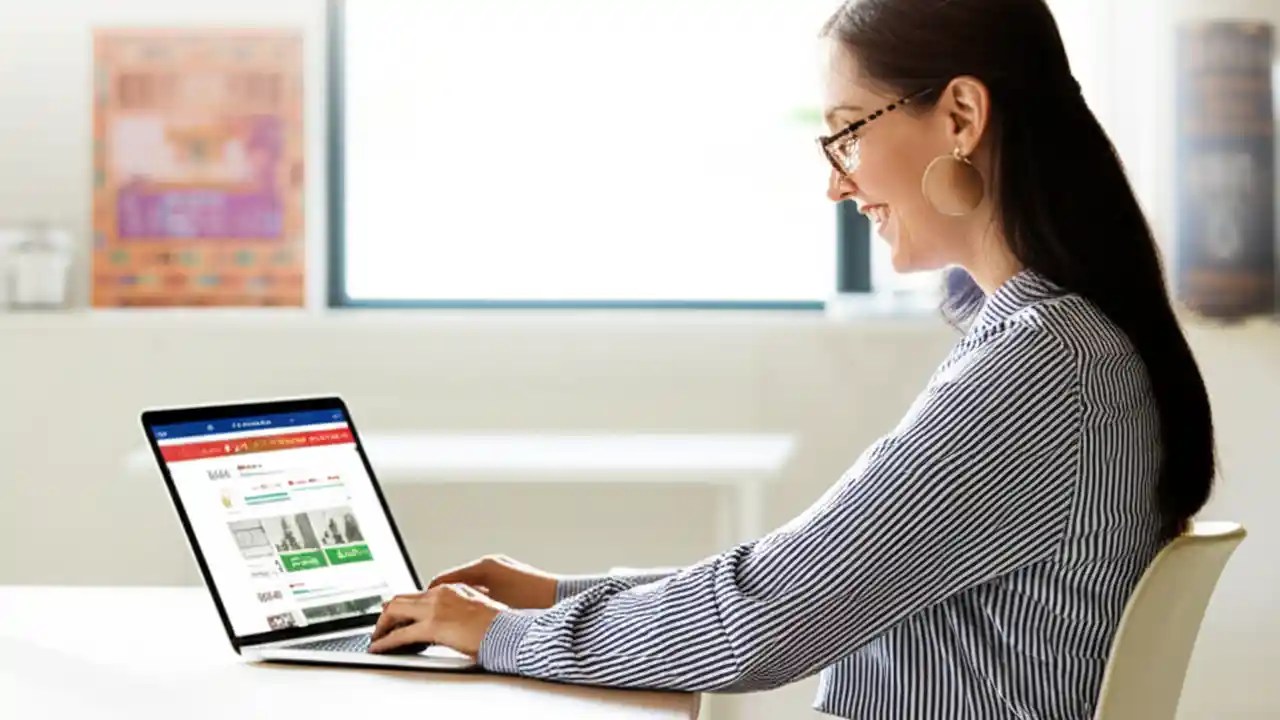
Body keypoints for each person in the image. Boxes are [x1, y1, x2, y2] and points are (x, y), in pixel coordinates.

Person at [367, 0, 1217, 717]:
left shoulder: (1039, 368)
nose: (837, 184)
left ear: (960, 117)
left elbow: (762, 625)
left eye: (848, 133)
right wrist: (560, 597)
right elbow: (792, 579)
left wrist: (499, 635)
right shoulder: (1061, 345)